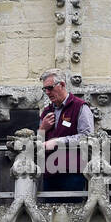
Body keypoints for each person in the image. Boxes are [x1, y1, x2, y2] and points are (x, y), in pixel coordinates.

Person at [38, 68, 94, 201]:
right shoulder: (47, 111)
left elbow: (87, 136)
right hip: (49, 173)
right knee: (50, 215)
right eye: (44, 89)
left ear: (62, 85)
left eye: (50, 88)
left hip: (72, 172)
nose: (47, 92)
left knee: (72, 215)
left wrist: (58, 142)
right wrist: (42, 128)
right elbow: (39, 142)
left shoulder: (80, 107)